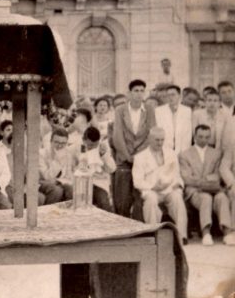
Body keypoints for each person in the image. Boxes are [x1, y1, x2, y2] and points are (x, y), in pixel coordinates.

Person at [179, 124, 233, 245]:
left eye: (207, 137)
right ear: (195, 136)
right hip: (194, 192)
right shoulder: (184, 154)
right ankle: (206, 233)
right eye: (201, 136)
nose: (204, 140)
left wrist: (201, 181)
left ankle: (227, 233)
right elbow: (186, 177)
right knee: (206, 198)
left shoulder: (216, 153)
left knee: (222, 197)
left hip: (213, 189)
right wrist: (206, 182)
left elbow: (218, 175)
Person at [132, 127, 188, 242]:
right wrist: (153, 186)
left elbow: (176, 174)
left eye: (162, 140)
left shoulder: (171, 154)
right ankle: (153, 233)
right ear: (149, 139)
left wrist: (177, 185)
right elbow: (137, 181)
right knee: (151, 200)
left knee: (177, 197)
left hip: (169, 189)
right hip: (151, 190)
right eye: (157, 140)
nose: (160, 143)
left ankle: (181, 235)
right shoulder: (140, 157)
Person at [112, 79, 155, 217]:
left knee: (140, 196)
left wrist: (139, 157)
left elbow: (151, 134)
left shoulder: (149, 109)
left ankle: (139, 227)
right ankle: (122, 227)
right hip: (124, 158)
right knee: (122, 198)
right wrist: (128, 156)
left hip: (143, 159)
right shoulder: (120, 110)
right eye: (136, 90)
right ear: (129, 93)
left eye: (142, 91)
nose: (139, 94)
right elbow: (117, 136)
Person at [77, 126, 116, 212]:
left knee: (103, 201)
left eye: (95, 145)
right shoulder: (76, 148)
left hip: (98, 183)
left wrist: (104, 156)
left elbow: (112, 169)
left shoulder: (103, 148)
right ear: (83, 139)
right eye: (90, 145)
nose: (92, 148)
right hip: (82, 182)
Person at [39, 127, 76, 204]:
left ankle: (67, 213)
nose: (59, 146)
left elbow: (68, 175)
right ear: (51, 141)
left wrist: (62, 181)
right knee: (57, 191)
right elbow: (47, 176)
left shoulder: (68, 154)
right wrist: (57, 160)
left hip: (59, 182)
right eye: (56, 142)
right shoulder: (41, 154)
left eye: (63, 143)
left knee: (71, 189)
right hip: (42, 182)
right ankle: (48, 213)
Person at [154, 84, 193, 154]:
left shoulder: (187, 111)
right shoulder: (159, 111)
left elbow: (187, 135)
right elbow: (159, 132)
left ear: (179, 96)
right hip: (164, 150)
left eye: (173, 95)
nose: (170, 98)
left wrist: (183, 153)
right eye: (168, 95)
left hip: (182, 151)